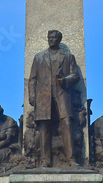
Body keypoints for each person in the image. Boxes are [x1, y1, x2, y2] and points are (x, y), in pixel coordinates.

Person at [28, 30, 81, 167]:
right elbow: (32, 79)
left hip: (62, 94)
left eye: (54, 38)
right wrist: (32, 96)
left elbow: (75, 75)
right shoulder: (39, 57)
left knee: (67, 124)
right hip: (43, 97)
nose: (51, 40)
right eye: (49, 38)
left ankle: (71, 159)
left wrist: (65, 80)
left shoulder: (68, 57)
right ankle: (45, 160)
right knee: (44, 126)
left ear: (59, 39)